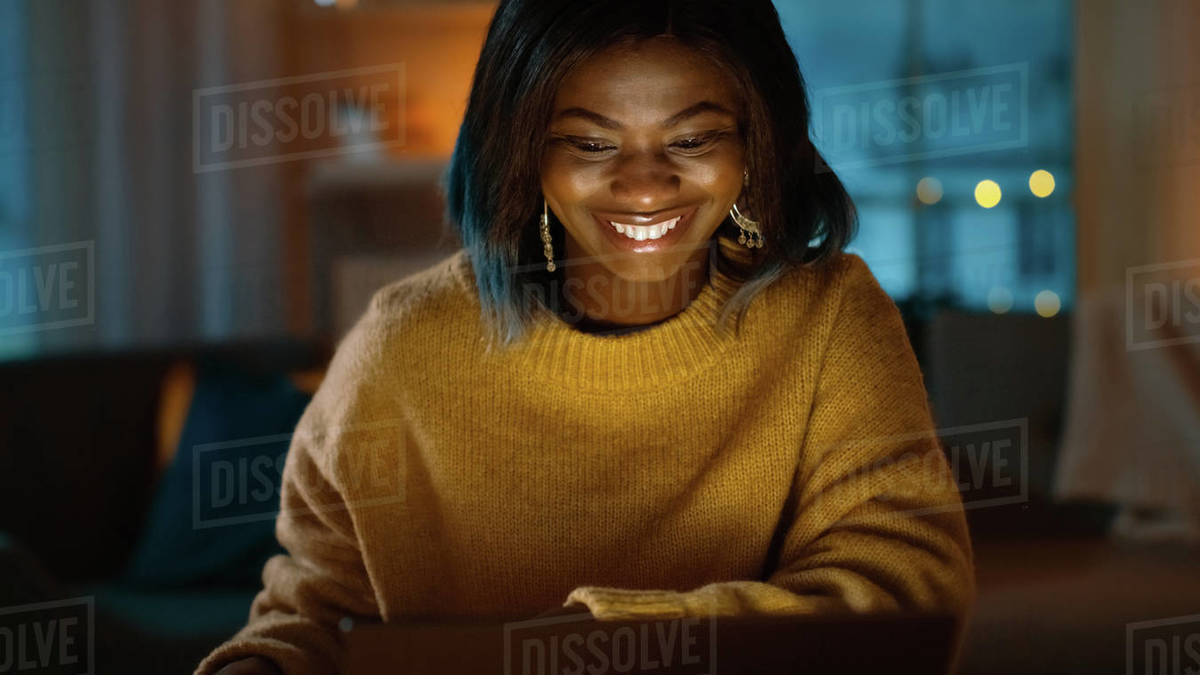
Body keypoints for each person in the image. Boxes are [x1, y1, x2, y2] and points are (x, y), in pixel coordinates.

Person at [199, 1, 975, 673]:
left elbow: (907, 592)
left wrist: (612, 642)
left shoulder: (833, 320)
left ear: (756, 146)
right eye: (592, 143)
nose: (643, 185)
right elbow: (314, 613)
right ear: (522, 155)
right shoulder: (400, 348)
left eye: (695, 139)